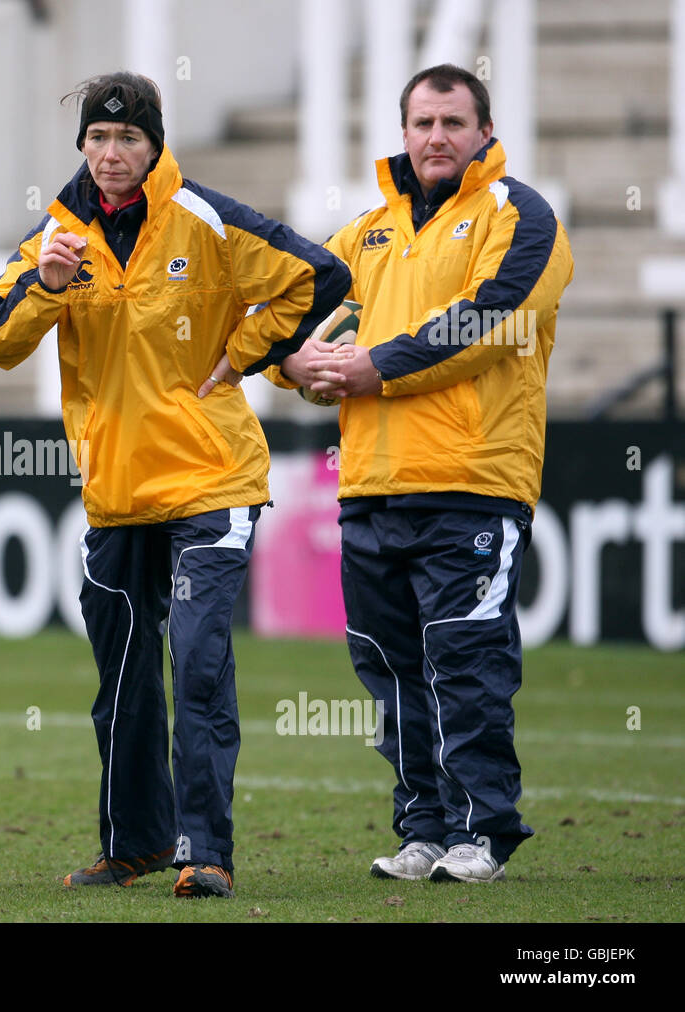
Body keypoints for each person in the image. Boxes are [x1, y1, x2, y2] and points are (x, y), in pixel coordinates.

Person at [0, 72, 350, 898]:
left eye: (129, 141)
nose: (112, 155)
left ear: (155, 146)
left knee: (199, 662)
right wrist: (46, 284)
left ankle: (204, 851)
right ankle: (134, 842)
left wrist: (250, 348)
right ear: (81, 148)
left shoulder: (205, 219)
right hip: (115, 493)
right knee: (124, 679)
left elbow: (320, 276)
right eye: (98, 140)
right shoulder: (59, 235)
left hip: (212, 481)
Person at [277, 64, 573, 883]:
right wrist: (292, 361)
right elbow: (292, 313)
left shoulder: (520, 215)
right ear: (401, 133)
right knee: (389, 670)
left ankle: (484, 831)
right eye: (421, 123)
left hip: (473, 483)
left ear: (484, 130)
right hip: (371, 484)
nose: (436, 137)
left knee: (466, 662)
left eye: (452, 122)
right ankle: (426, 828)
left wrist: (375, 367)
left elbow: (489, 319)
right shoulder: (368, 232)